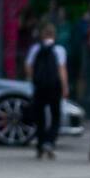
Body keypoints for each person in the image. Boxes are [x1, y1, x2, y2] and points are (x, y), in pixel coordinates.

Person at [25, 23, 68, 159]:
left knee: (40, 118)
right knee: (55, 116)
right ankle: (50, 141)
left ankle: (40, 145)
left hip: (39, 87)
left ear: (43, 35)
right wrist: (65, 86)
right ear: (54, 36)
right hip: (54, 87)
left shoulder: (36, 48)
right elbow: (61, 69)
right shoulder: (59, 50)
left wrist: (34, 80)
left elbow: (28, 66)